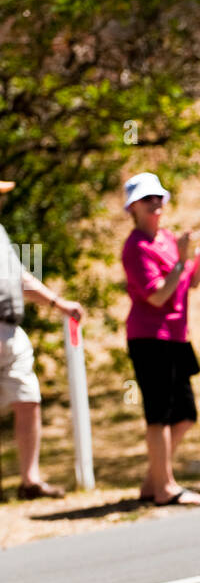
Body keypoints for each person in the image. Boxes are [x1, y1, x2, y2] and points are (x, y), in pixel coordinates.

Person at [121, 172, 200, 506]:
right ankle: (165, 487)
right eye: (148, 200)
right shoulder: (135, 247)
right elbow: (158, 296)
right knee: (158, 415)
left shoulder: (168, 239)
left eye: (159, 198)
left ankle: (153, 479)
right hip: (149, 338)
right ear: (133, 207)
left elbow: (191, 282)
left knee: (185, 414)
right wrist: (182, 260)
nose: (156, 204)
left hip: (176, 336)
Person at [0, 179, 83, 499]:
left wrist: (57, 303)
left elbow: (22, 278)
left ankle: (29, 480)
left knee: (29, 399)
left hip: (11, 330)